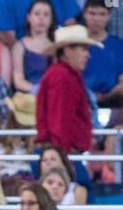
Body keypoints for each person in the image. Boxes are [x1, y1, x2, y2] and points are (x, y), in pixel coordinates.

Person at [35, 25, 100, 172]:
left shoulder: (64, 74)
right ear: (68, 50)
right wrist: (63, 159)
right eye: (84, 49)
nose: (87, 55)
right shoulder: (63, 77)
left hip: (63, 152)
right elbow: (60, 122)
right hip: (63, 153)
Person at [81, 0, 123, 109]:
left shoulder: (118, 45)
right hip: (79, 101)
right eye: (92, 13)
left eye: (102, 14)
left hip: (111, 103)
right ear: (84, 14)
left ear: (109, 16)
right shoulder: (75, 44)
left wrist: (106, 96)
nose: (96, 19)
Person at [10, 0, 57, 94]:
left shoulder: (57, 46)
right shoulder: (19, 46)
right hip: (29, 99)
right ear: (28, 17)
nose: (41, 18)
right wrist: (39, 91)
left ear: (52, 19)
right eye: (37, 14)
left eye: (46, 14)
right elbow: (18, 82)